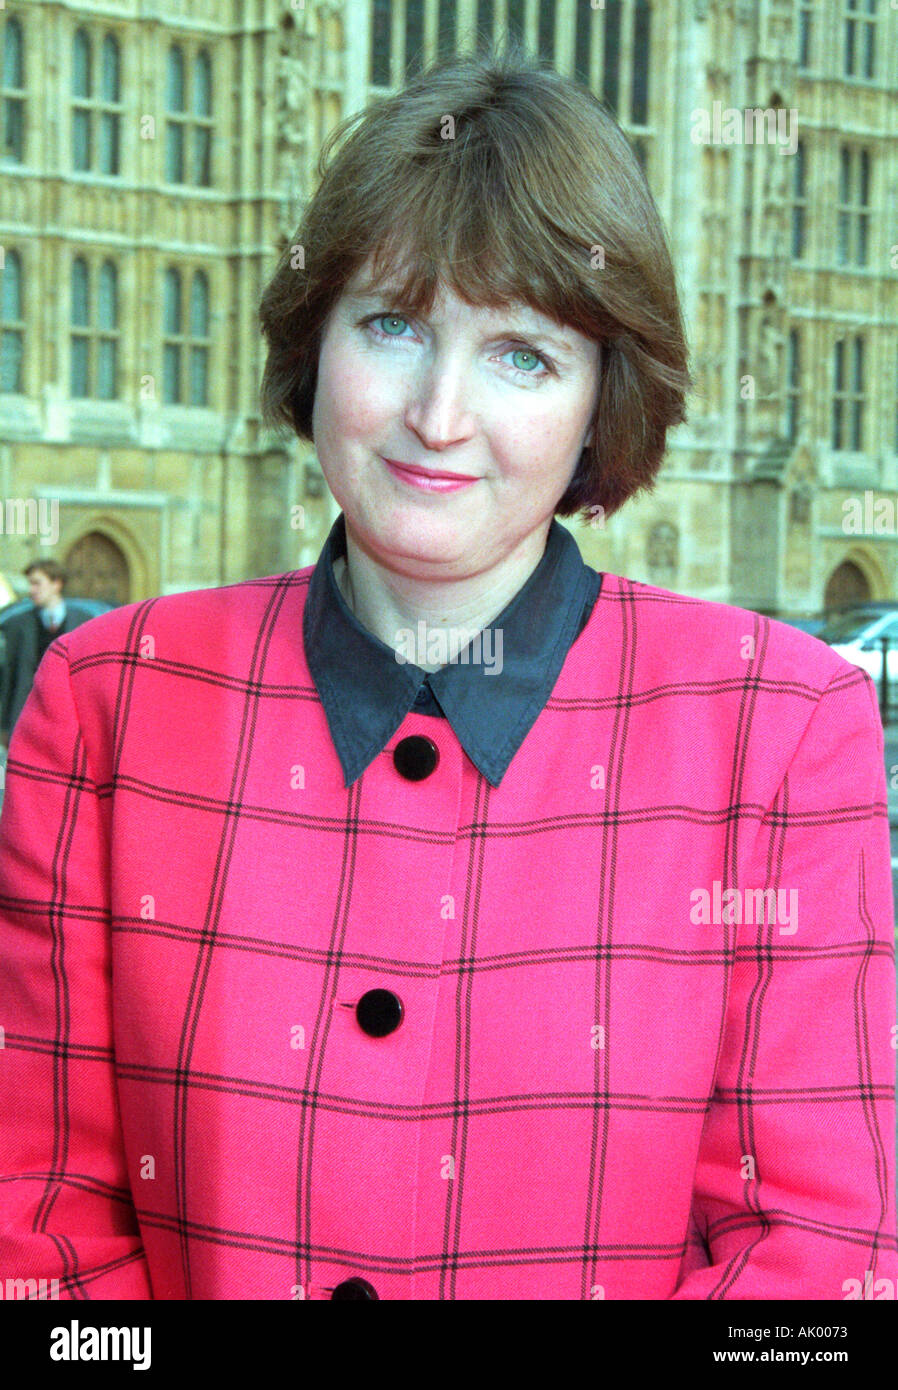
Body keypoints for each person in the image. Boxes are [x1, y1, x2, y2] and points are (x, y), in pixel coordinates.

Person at [0, 41, 895, 1302]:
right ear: (316, 351)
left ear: (602, 399)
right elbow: (43, 1247)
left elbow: (813, 1263)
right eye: (391, 326)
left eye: (524, 354)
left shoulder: (784, 726)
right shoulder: (108, 703)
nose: (438, 415)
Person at [0, 558, 91, 750]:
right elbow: (10, 676)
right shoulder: (18, 624)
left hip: (70, 716)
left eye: (37, 583)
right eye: (30, 584)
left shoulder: (84, 622)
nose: (32, 590)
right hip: (27, 715)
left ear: (56, 584)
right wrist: (5, 725)